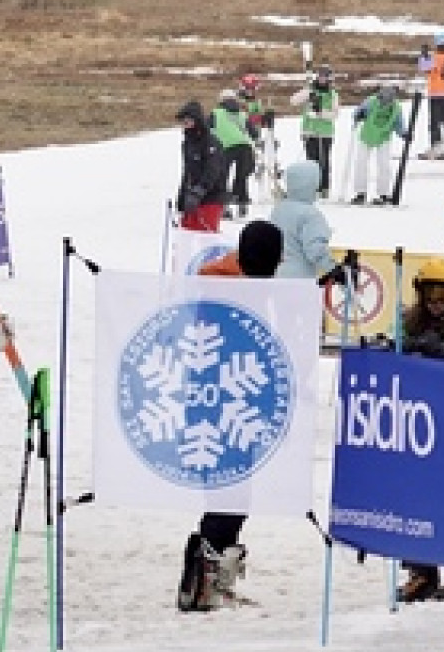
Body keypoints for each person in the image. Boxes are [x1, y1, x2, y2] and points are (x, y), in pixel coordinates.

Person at [180, 219, 283, 611]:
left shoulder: (248, 282)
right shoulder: (224, 287)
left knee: (236, 492)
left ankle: (209, 575)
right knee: (229, 492)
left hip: (239, 403)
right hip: (217, 405)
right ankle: (203, 582)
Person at [396, 257, 444, 603]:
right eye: (432, 292)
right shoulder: (406, 324)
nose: (437, 301)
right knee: (412, 497)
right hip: (415, 425)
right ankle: (420, 571)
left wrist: (441, 355)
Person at [268, 161, 333, 281]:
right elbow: (315, 249)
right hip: (301, 279)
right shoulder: (310, 215)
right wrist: (333, 268)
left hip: (276, 274)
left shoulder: (278, 210)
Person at [347, 84, 408, 205]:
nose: (384, 103)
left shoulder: (396, 108)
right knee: (361, 163)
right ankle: (360, 193)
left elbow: (398, 124)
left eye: (388, 101)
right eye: (382, 100)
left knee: (384, 165)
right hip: (367, 136)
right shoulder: (371, 102)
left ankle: (383, 194)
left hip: (383, 138)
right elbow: (356, 113)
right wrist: (359, 116)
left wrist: (404, 134)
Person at [177, 100, 226, 231]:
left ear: (197, 121)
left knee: (205, 237)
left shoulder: (211, 142)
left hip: (211, 198)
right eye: (183, 122)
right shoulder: (187, 144)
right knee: (187, 235)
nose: (185, 125)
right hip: (192, 199)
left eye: (187, 122)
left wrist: (200, 191)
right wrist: (182, 197)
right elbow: (187, 172)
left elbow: (213, 169)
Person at [289, 65, 338, 198]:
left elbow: (334, 114)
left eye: (325, 76)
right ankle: (312, 187)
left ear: (329, 78)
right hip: (309, 131)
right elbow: (293, 101)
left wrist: (320, 112)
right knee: (311, 161)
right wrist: (307, 94)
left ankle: (324, 187)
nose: (322, 79)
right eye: (320, 76)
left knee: (324, 161)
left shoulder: (332, 94)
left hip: (325, 132)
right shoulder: (310, 90)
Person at [209, 89, 255, 218]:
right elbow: (253, 132)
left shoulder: (215, 113)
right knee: (241, 176)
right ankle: (242, 202)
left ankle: (224, 206)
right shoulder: (242, 114)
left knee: (222, 176)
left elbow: (207, 130)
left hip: (225, 147)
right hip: (244, 146)